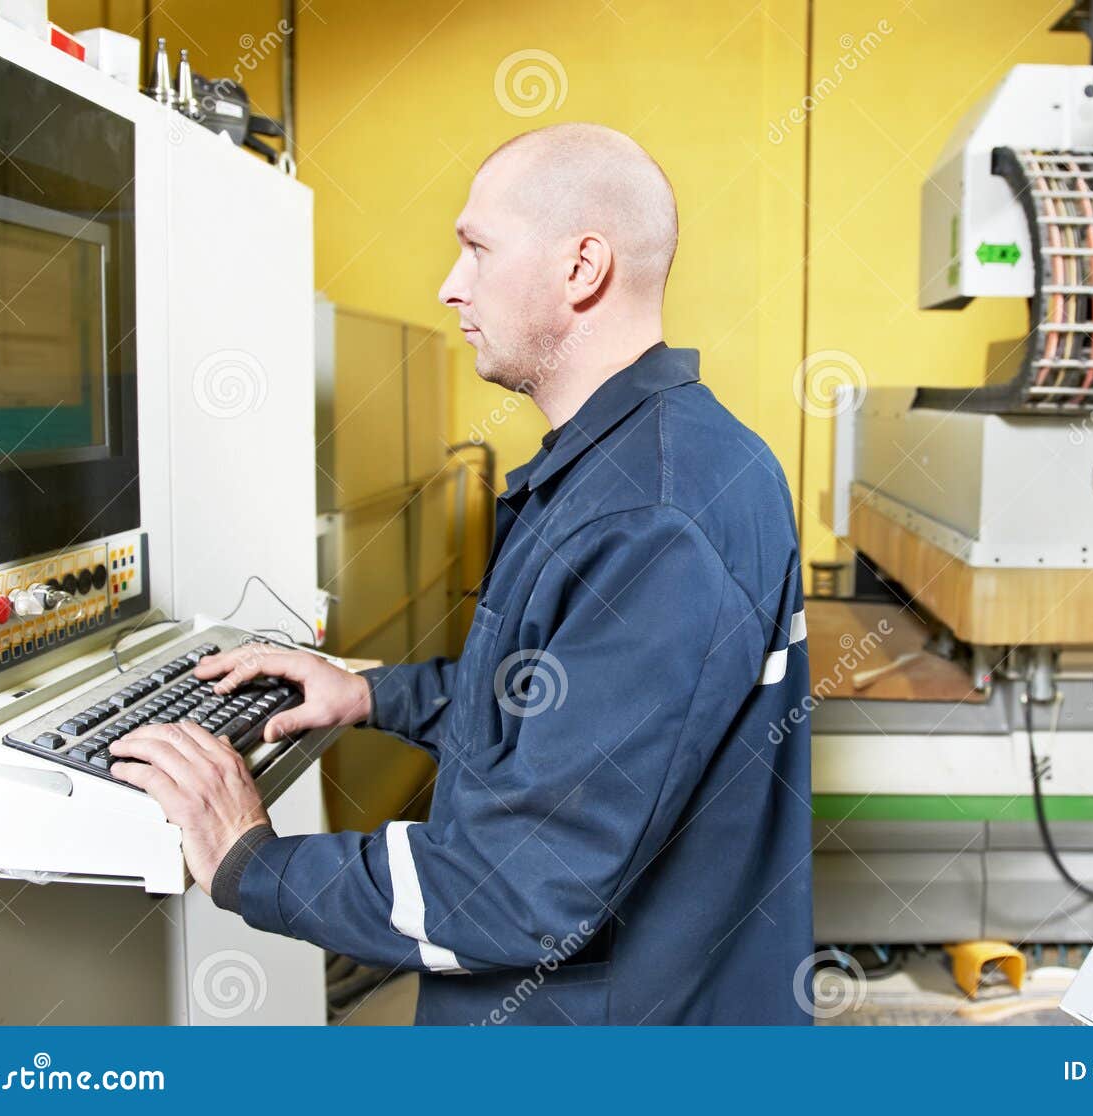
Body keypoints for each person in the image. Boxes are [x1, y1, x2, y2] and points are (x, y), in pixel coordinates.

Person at [110, 123, 812, 1025]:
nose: (450, 286)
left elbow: (520, 890)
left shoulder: (652, 518)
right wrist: (373, 696)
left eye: (477, 248)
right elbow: (568, 711)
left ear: (582, 267)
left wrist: (251, 859)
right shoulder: (643, 464)